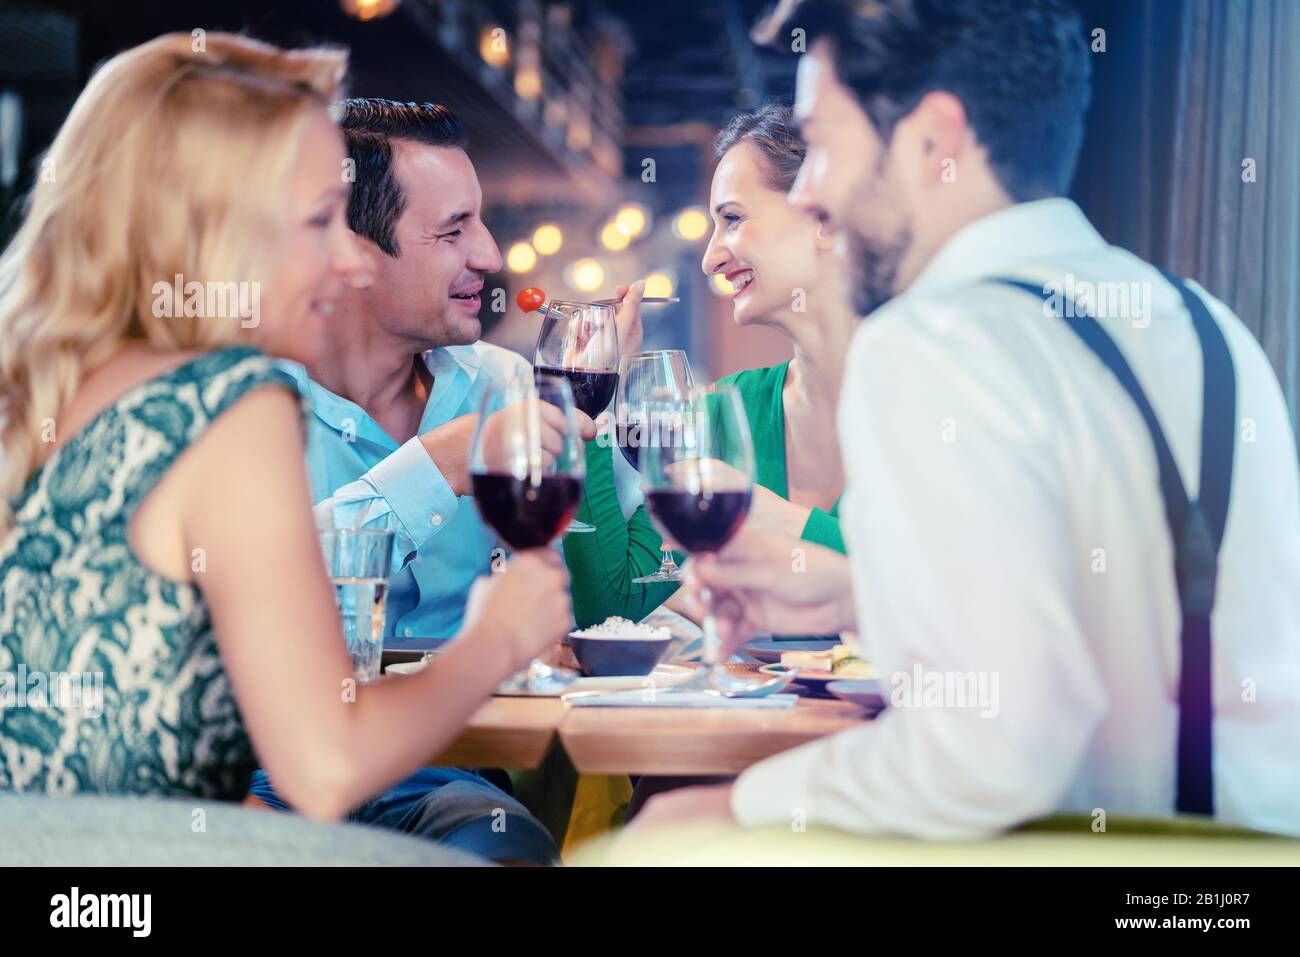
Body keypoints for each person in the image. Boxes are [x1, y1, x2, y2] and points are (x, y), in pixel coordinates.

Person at [632, 0, 1300, 839]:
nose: (810, 189)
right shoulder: (1206, 323)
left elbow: (991, 759)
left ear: (934, 139)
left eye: (825, 142)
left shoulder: (932, 337)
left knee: (660, 834)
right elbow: (1129, 621)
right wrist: (857, 591)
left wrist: (732, 806)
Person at [0, 34, 568, 865]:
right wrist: (495, 639)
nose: (347, 260)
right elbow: (327, 765)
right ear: (214, 231)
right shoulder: (231, 404)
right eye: (316, 222)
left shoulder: (43, 385)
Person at [564, 103, 856, 637]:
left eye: (734, 219)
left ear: (822, 214)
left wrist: (770, 516)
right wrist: (590, 407)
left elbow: (953, 595)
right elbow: (613, 603)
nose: (710, 259)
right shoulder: (725, 414)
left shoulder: (935, 406)